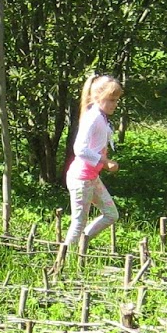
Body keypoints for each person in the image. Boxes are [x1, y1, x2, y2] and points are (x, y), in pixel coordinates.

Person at [55, 74, 123, 269]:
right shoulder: (93, 117)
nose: (114, 104)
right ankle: (62, 263)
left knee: (111, 214)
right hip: (81, 178)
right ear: (97, 96)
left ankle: (82, 241)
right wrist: (104, 161)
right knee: (78, 222)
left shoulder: (100, 117)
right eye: (111, 99)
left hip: (92, 178)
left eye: (116, 100)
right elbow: (80, 149)